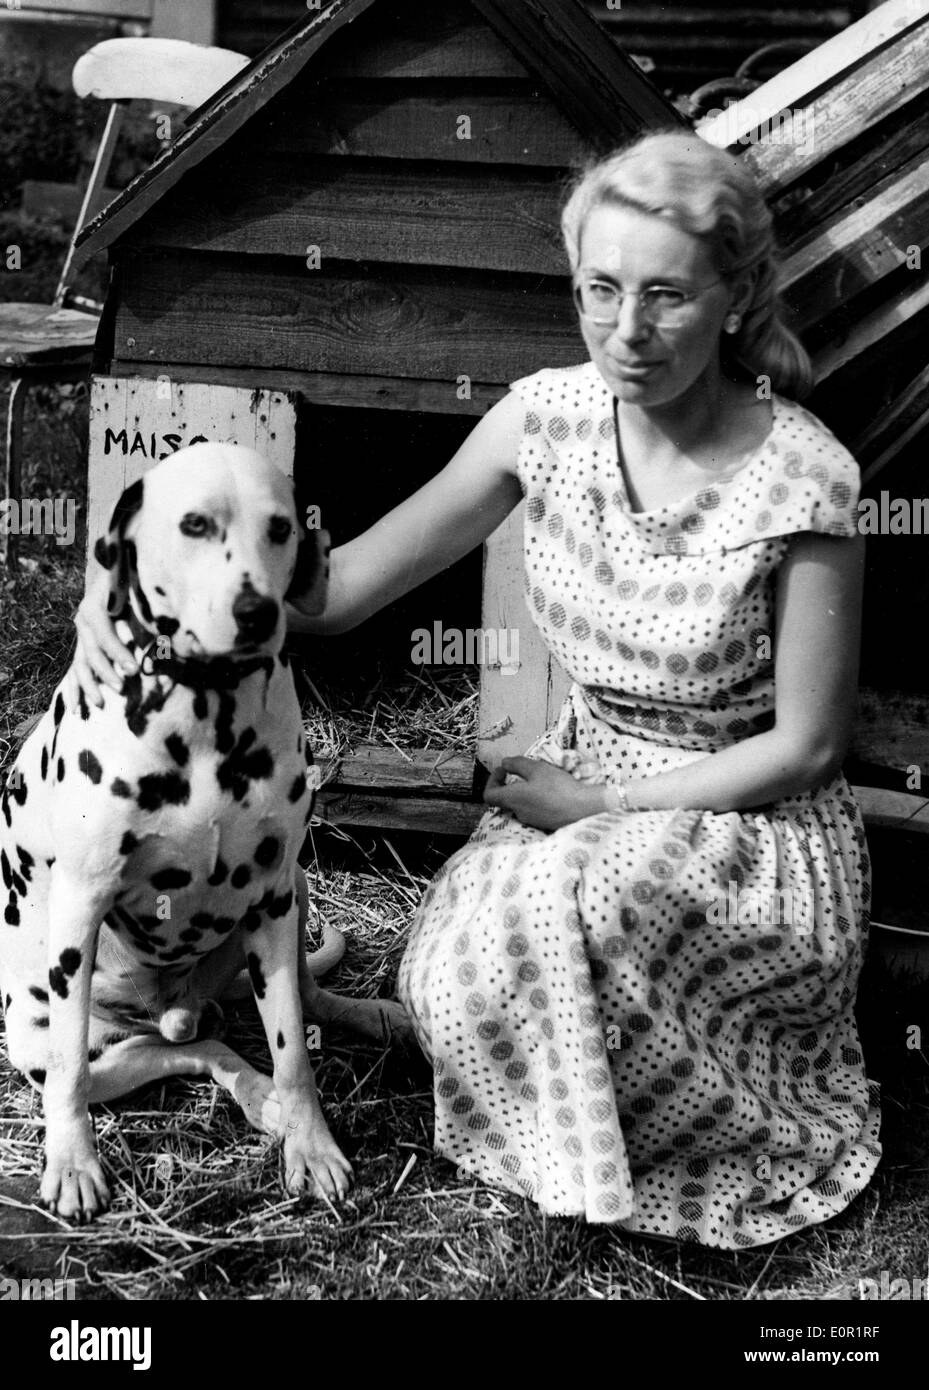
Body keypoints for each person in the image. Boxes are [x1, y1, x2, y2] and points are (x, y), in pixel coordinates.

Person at [73, 131, 880, 1250]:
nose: (625, 331)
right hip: (572, 779)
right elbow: (344, 586)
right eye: (599, 290)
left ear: (736, 298)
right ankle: (535, 1098)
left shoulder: (804, 478)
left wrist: (597, 811)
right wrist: (214, 527)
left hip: (743, 825)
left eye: (664, 297)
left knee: (577, 903)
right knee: (453, 970)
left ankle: (636, 1158)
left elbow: (804, 748)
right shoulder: (540, 419)